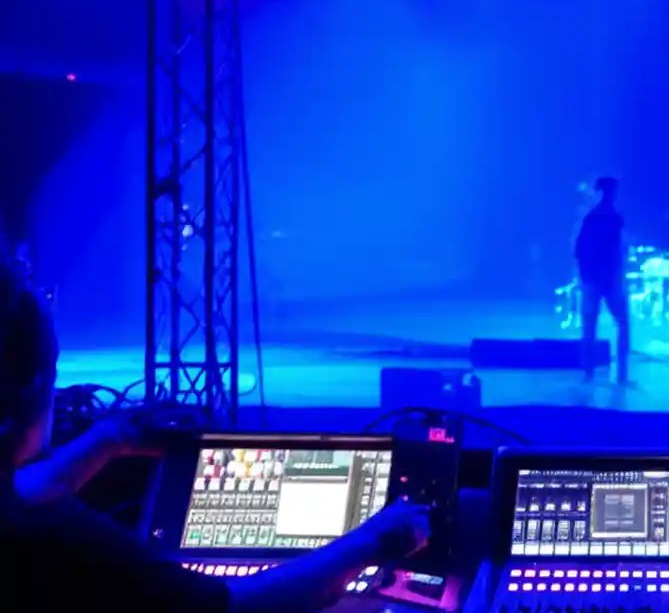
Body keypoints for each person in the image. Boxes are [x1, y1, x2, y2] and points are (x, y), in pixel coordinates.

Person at [0, 257, 432, 613]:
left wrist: (110, 438)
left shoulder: (21, 509)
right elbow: (232, 608)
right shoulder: (55, 535)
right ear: (30, 384)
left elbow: (24, 492)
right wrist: (370, 543)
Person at [574, 176, 629, 384]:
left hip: (592, 279)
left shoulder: (591, 217)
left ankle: (588, 370)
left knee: (589, 325)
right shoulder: (614, 218)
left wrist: (585, 274)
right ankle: (622, 370)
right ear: (612, 192)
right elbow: (616, 249)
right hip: (609, 279)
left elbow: (579, 249)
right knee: (622, 323)